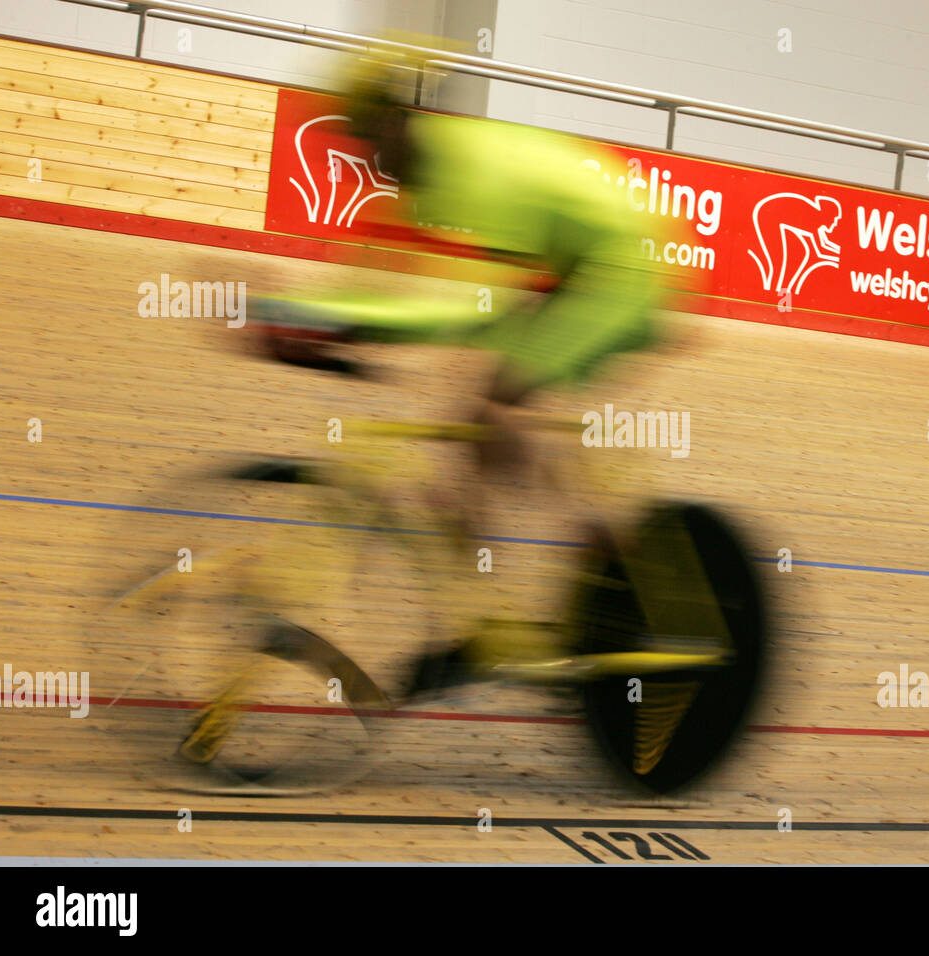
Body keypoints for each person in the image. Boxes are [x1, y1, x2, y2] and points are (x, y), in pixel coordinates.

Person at [252, 55, 675, 697]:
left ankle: (613, 578)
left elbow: (458, 310)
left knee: (496, 409)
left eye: (369, 141)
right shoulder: (425, 179)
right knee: (469, 426)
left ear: (398, 120)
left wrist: (324, 325)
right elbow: (367, 284)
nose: (367, 158)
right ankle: (485, 627)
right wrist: (307, 316)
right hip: (571, 266)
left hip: (618, 273)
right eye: (357, 146)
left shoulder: (467, 176)